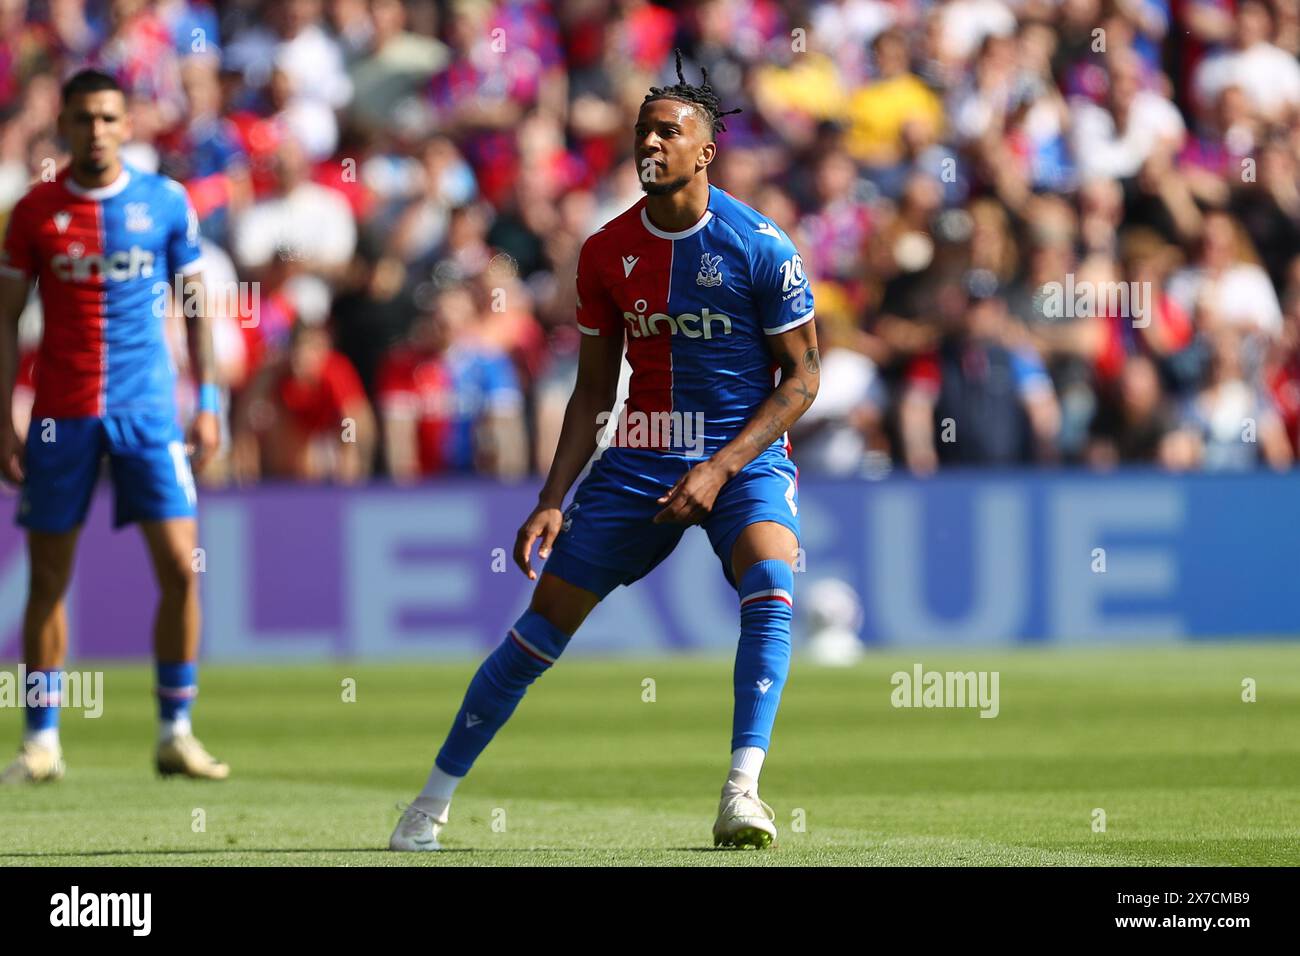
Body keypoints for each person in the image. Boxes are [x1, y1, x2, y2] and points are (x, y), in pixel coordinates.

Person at [390, 53, 821, 851]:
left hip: (740, 457)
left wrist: (722, 467)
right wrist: (553, 496)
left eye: (669, 130)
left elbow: (802, 379)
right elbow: (593, 392)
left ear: (706, 150)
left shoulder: (762, 246)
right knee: (541, 627)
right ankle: (429, 803)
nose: (650, 143)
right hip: (643, 456)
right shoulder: (604, 252)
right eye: (641, 131)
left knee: (771, 574)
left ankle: (742, 792)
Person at [0, 69, 227, 783]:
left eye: (106, 117)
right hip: (60, 415)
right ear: (62, 126)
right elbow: (4, 320)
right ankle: (42, 740)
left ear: (126, 125)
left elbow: (197, 307)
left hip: (149, 412)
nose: (95, 129)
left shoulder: (164, 202)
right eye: (82, 118)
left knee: (181, 569)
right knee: (47, 579)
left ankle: (175, 731)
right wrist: (2, 421)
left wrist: (211, 402)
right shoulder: (34, 211)